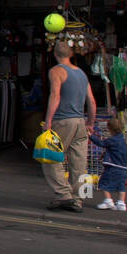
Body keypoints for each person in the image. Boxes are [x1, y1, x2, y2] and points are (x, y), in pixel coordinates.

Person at [41, 39, 97, 211]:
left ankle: (64, 195)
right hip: (80, 121)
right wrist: (90, 122)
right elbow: (92, 101)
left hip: (63, 121)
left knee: (50, 157)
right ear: (71, 54)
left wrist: (48, 121)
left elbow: (55, 96)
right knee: (79, 163)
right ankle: (78, 200)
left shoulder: (56, 71)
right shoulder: (81, 73)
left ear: (55, 54)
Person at [90, 113, 127, 211]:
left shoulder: (112, 140)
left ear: (110, 129)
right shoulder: (122, 141)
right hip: (123, 168)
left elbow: (101, 143)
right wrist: (104, 155)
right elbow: (115, 151)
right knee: (121, 186)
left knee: (103, 183)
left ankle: (108, 201)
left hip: (112, 168)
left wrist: (90, 136)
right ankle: (121, 204)